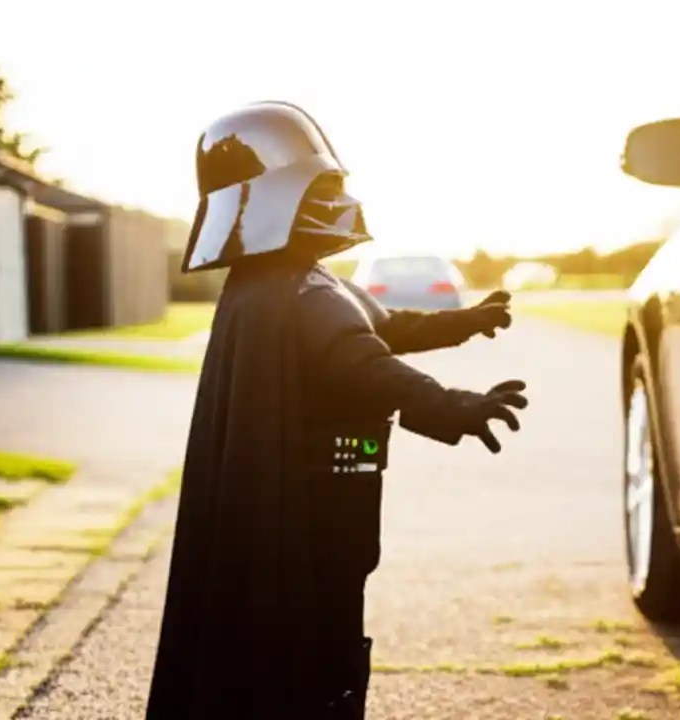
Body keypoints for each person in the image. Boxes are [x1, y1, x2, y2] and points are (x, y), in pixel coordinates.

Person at [146, 101, 528, 719]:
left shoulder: (296, 283)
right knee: (323, 640)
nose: (338, 199)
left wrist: (464, 322)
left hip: (326, 500)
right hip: (315, 513)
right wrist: (455, 408)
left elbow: (383, 328)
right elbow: (367, 365)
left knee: (326, 625)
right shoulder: (294, 291)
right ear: (276, 196)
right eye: (321, 186)